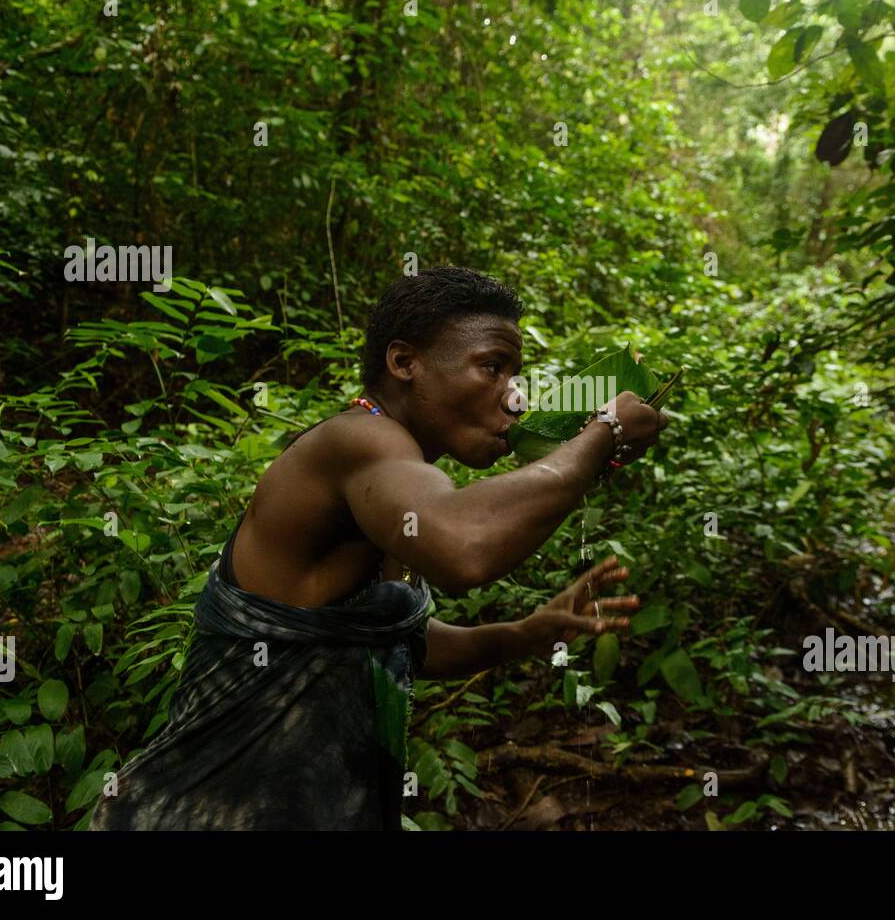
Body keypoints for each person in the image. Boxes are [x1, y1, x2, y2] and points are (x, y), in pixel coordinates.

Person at [88, 265, 669, 830]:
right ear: (404, 362)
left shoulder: (392, 487)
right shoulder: (359, 441)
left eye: (516, 376)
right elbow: (466, 550)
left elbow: (400, 644)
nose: (515, 399)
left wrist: (529, 632)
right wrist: (603, 435)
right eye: (492, 368)